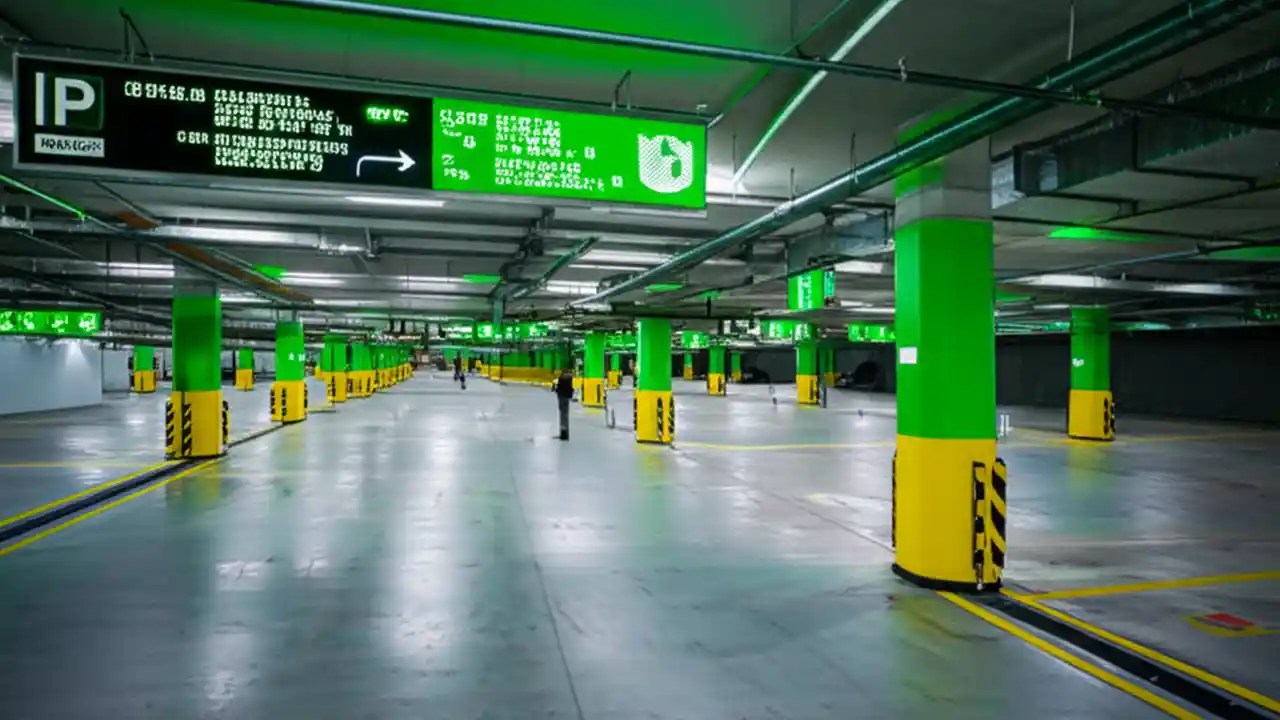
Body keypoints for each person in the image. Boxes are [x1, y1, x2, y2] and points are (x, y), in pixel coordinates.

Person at [554, 368, 574, 440]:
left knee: (562, 414)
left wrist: (555, 389)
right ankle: (566, 432)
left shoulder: (561, 378)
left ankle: (563, 432)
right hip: (567, 397)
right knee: (566, 414)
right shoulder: (570, 378)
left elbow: (558, 388)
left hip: (561, 397)